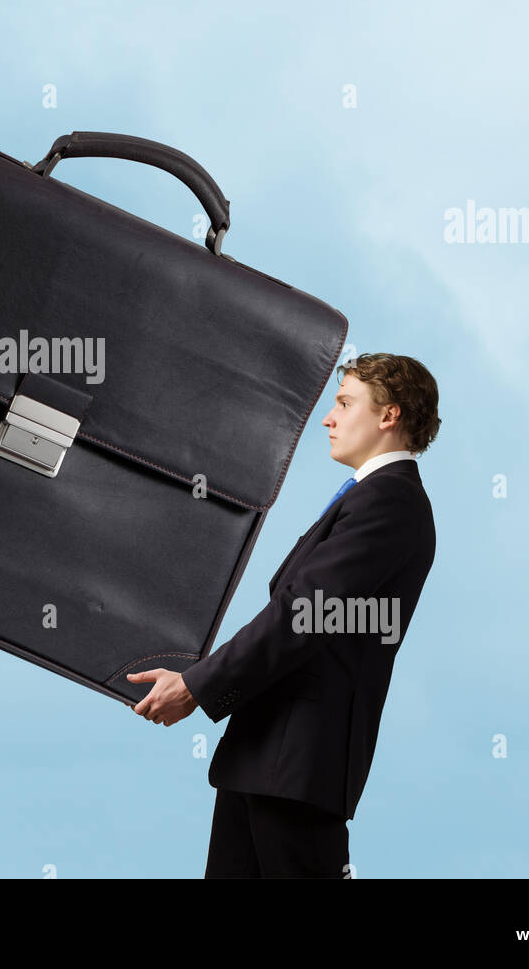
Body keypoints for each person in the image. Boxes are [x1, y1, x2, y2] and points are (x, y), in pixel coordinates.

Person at [127, 353, 440, 878]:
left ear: (389, 415)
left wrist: (197, 686)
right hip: (268, 758)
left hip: (299, 765)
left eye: (344, 403)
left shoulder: (391, 502)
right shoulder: (370, 498)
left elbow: (305, 614)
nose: (328, 418)